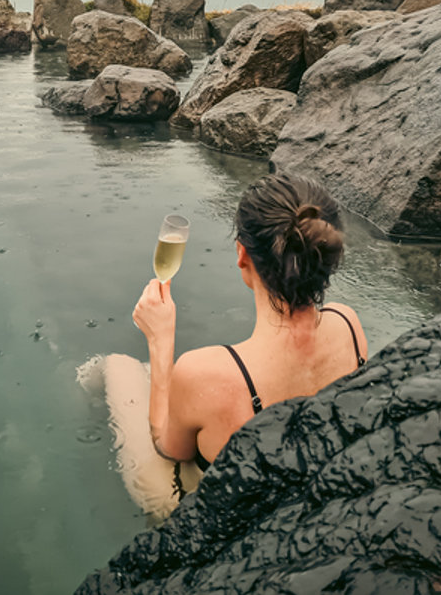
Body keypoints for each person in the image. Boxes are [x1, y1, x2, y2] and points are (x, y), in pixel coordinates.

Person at [133, 171, 367, 473]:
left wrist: (160, 340)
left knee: (114, 368)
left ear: (242, 253)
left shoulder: (204, 375)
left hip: (226, 500)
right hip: (326, 487)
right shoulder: (349, 324)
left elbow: (167, 450)